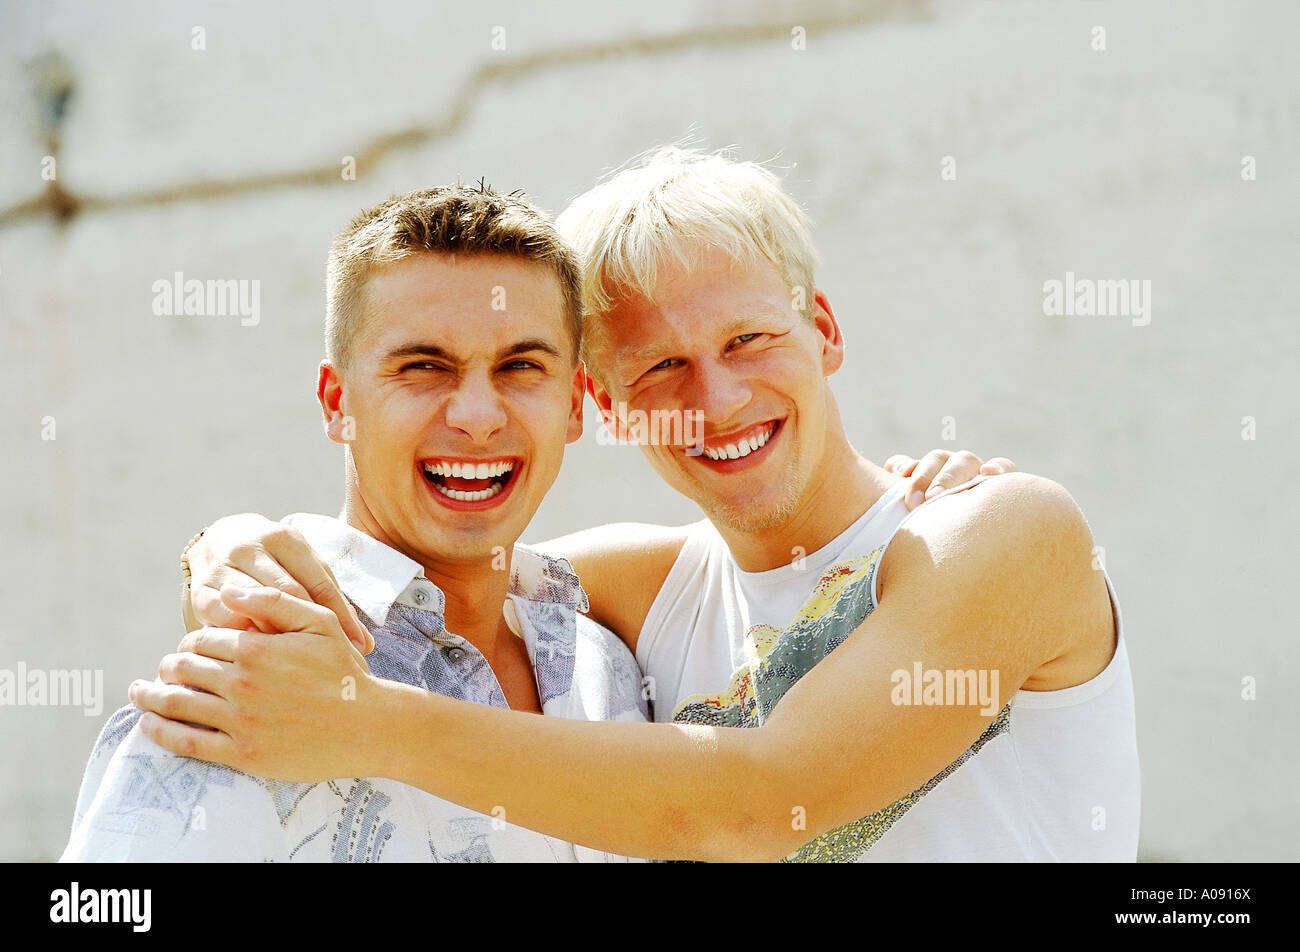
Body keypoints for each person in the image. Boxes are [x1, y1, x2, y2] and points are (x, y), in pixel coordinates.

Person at [135, 148, 1135, 863]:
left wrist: (367, 724)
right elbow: (396, 568)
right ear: (600, 406)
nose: (718, 398)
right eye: (659, 366)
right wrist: (218, 551)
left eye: (748, 340)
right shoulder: (626, 591)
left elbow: (756, 809)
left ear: (821, 329)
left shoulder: (1007, 532)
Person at [62, 184, 652, 862]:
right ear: (338, 401)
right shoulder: (251, 689)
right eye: (425, 366)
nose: (479, 415)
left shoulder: (607, 668)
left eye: (521, 366)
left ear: (574, 404)